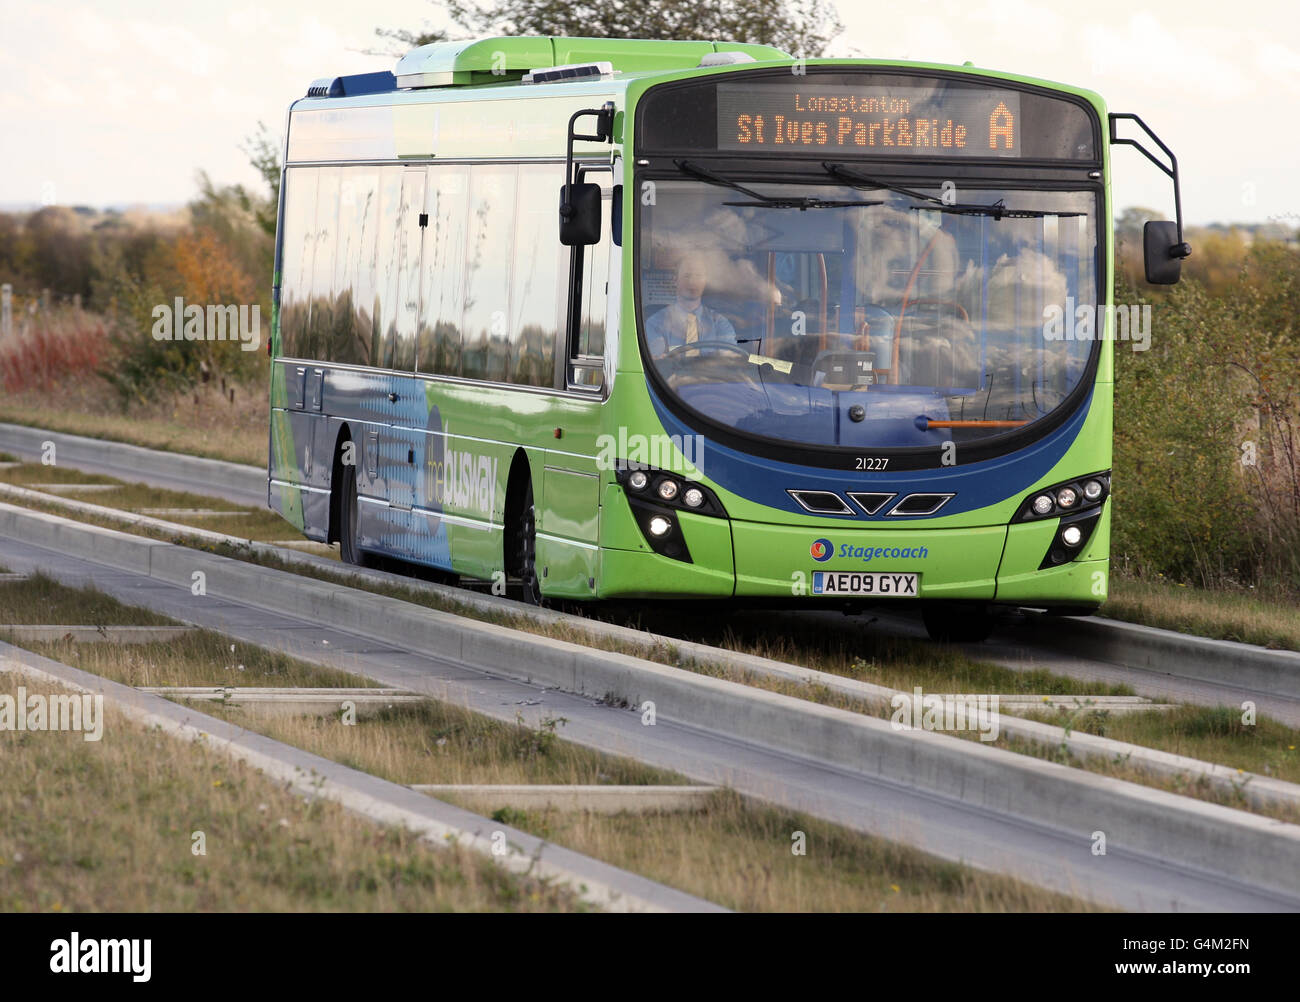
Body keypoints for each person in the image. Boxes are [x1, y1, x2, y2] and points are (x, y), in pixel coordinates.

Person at [645, 253, 738, 357]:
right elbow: (655, 364)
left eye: (698, 276)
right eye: (687, 275)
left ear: (706, 281)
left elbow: (730, 360)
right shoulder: (655, 324)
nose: (692, 282)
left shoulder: (720, 324)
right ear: (675, 280)